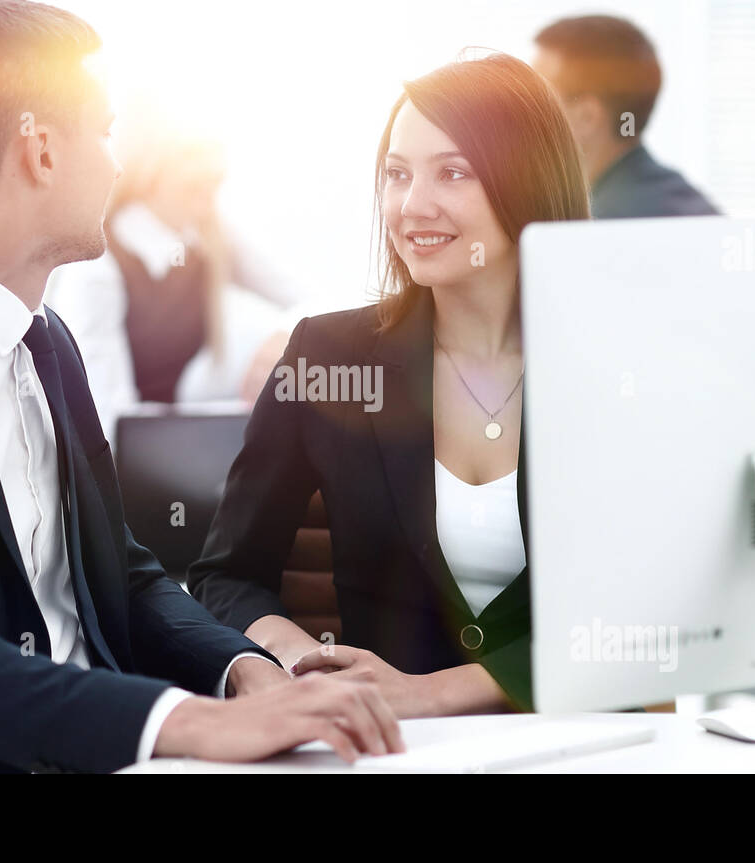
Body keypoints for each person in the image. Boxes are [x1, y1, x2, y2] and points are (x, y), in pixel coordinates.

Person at [0, 0, 400, 773]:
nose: (117, 166)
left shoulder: (48, 341)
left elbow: (122, 575)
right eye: (105, 132)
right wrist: (186, 722)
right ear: (42, 152)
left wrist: (244, 671)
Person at [188, 52, 589, 716]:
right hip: (394, 746)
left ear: (529, 181)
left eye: (453, 172)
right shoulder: (328, 357)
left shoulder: (613, 364)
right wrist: (306, 664)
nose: (412, 206)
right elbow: (225, 573)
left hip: (583, 738)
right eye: (397, 174)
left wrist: (436, 691)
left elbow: (648, 602)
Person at [47, 106, 295, 441]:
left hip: (168, 447)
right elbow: (107, 420)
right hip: (126, 457)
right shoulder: (100, 265)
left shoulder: (211, 237)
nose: (212, 169)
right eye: (192, 153)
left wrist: (287, 337)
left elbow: (307, 299)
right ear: (153, 164)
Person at [532, 14, 719, 219]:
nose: (526, 110)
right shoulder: (687, 199)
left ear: (587, 117)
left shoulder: (596, 226)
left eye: (538, 96)